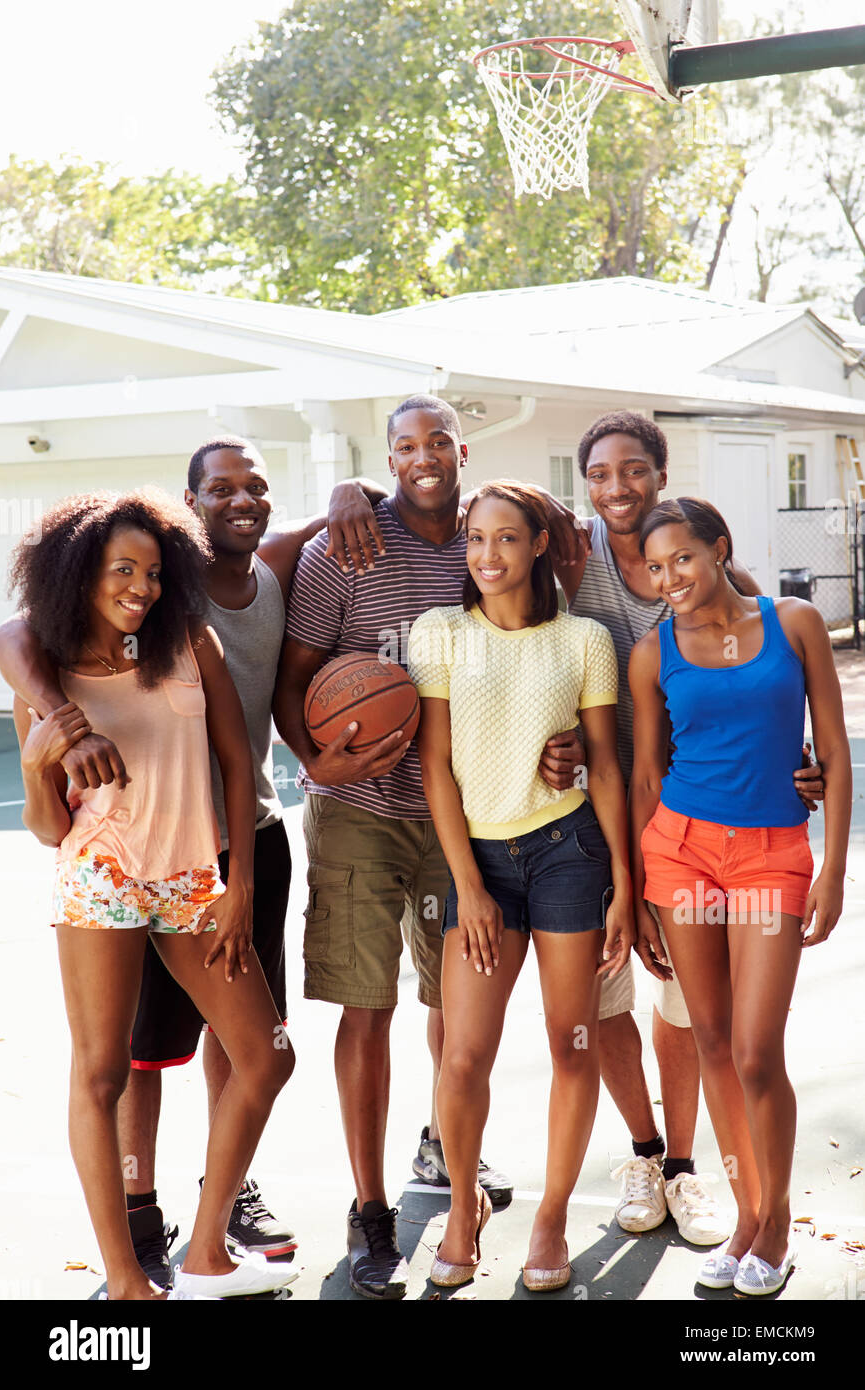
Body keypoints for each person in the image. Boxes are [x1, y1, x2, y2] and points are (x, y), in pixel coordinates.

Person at [0, 440, 381, 1287]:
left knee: (267, 1056)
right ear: (80, 574)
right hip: (101, 881)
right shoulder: (49, 675)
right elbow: (48, 831)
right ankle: (127, 1274)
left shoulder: (187, 641)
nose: (140, 588)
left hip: (195, 875)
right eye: (120, 572)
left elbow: (241, 764)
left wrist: (239, 882)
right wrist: (41, 753)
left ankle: (208, 1246)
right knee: (101, 1074)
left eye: (152, 572)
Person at [273, 395, 583, 1299]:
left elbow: (542, 655)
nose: (423, 456)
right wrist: (316, 755)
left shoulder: (493, 535)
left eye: (437, 440)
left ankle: (452, 1157)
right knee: (365, 1010)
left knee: (453, 1007)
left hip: (469, 815)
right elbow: (297, 678)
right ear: (389, 456)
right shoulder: (345, 546)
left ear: (461, 449)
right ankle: (372, 1212)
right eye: (404, 445)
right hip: (362, 812)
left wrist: (559, 743)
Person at [554, 412, 823, 1246]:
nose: (616, 487)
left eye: (632, 469)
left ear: (661, 476)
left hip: (730, 828)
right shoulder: (571, 562)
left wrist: (796, 759)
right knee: (622, 1004)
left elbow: (777, 694)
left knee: (713, 1026)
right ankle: (659, 1163)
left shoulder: (750, 595)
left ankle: (693, 1170)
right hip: (617, 820)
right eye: (599, 474)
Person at [409, 481, 632, 1292]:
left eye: (506, 539)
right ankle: (464, 1204)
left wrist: (625, 885)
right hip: (481, 865)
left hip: (570, 852)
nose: (487, 555)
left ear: (540, 544)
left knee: (573, 1047)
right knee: (463, 1058)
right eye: (475, 539)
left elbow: (603, 764)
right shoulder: (439, 634)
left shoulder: (584, 639)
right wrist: (467, 884)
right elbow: (434, 766)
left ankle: (550, 1217)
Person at [629, 496, 850, 1295]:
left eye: (683, 559)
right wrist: (641, 892)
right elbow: (648, 774)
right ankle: (748, 1214)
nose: (670, 579)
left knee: (757, 1052)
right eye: (655, 568)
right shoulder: (652, 652)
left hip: (769, 859)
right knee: (713, 1041)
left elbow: (832, 745)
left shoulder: (793, 623)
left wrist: (831, 867)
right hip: (681, 855)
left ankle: (777, 1221)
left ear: (718, 548)